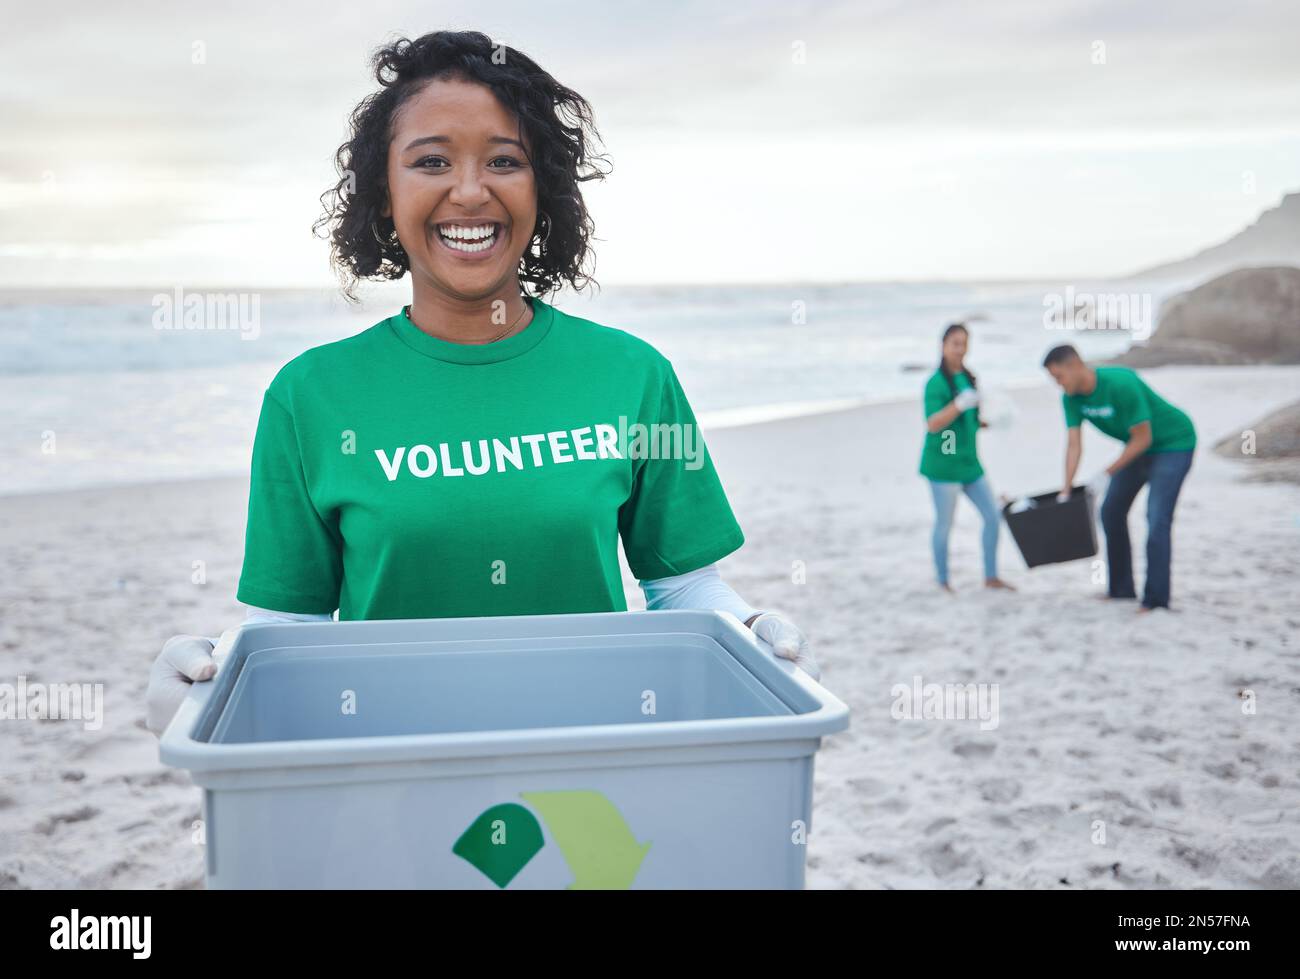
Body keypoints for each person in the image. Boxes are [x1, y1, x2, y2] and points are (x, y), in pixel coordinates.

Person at [146, 31, 817, 735]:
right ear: (384, 194)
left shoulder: (636, 375)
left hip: (596, 762)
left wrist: (749, 627)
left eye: (505, 161)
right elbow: (290, 630)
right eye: (431, 161)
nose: (470, 191)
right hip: (384, 769)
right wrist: (210, 677)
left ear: (541, 191)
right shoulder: (308, 395)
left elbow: (679, 587)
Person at [1042, 345, 1196, 611]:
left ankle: (1156, 600)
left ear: (1076, 364)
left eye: (1059, 377)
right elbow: (1074, 445)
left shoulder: (1121, 382)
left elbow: (1143, 437)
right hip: (1137, 449)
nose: (1058, 384)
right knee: (1111, 512)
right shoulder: (1071, 398)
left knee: (1157, 517)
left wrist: (1105, 473)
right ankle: (1121, 589)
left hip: (1173, 444)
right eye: (1053, 379)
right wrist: (1066, 490)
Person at [918, 323, 1014, 592]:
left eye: (964, 343)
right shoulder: (935, 384)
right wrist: (959, 405)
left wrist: (992, 421)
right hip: (944, 465)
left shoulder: (969, 378)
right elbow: (934, 423)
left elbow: (970, 421)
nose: (960, 349)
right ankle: (942, 581)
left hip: (971, 464)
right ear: (943, 346)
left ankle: (991, 576)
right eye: (955, 344)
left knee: (993, 517)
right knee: (945, 524)